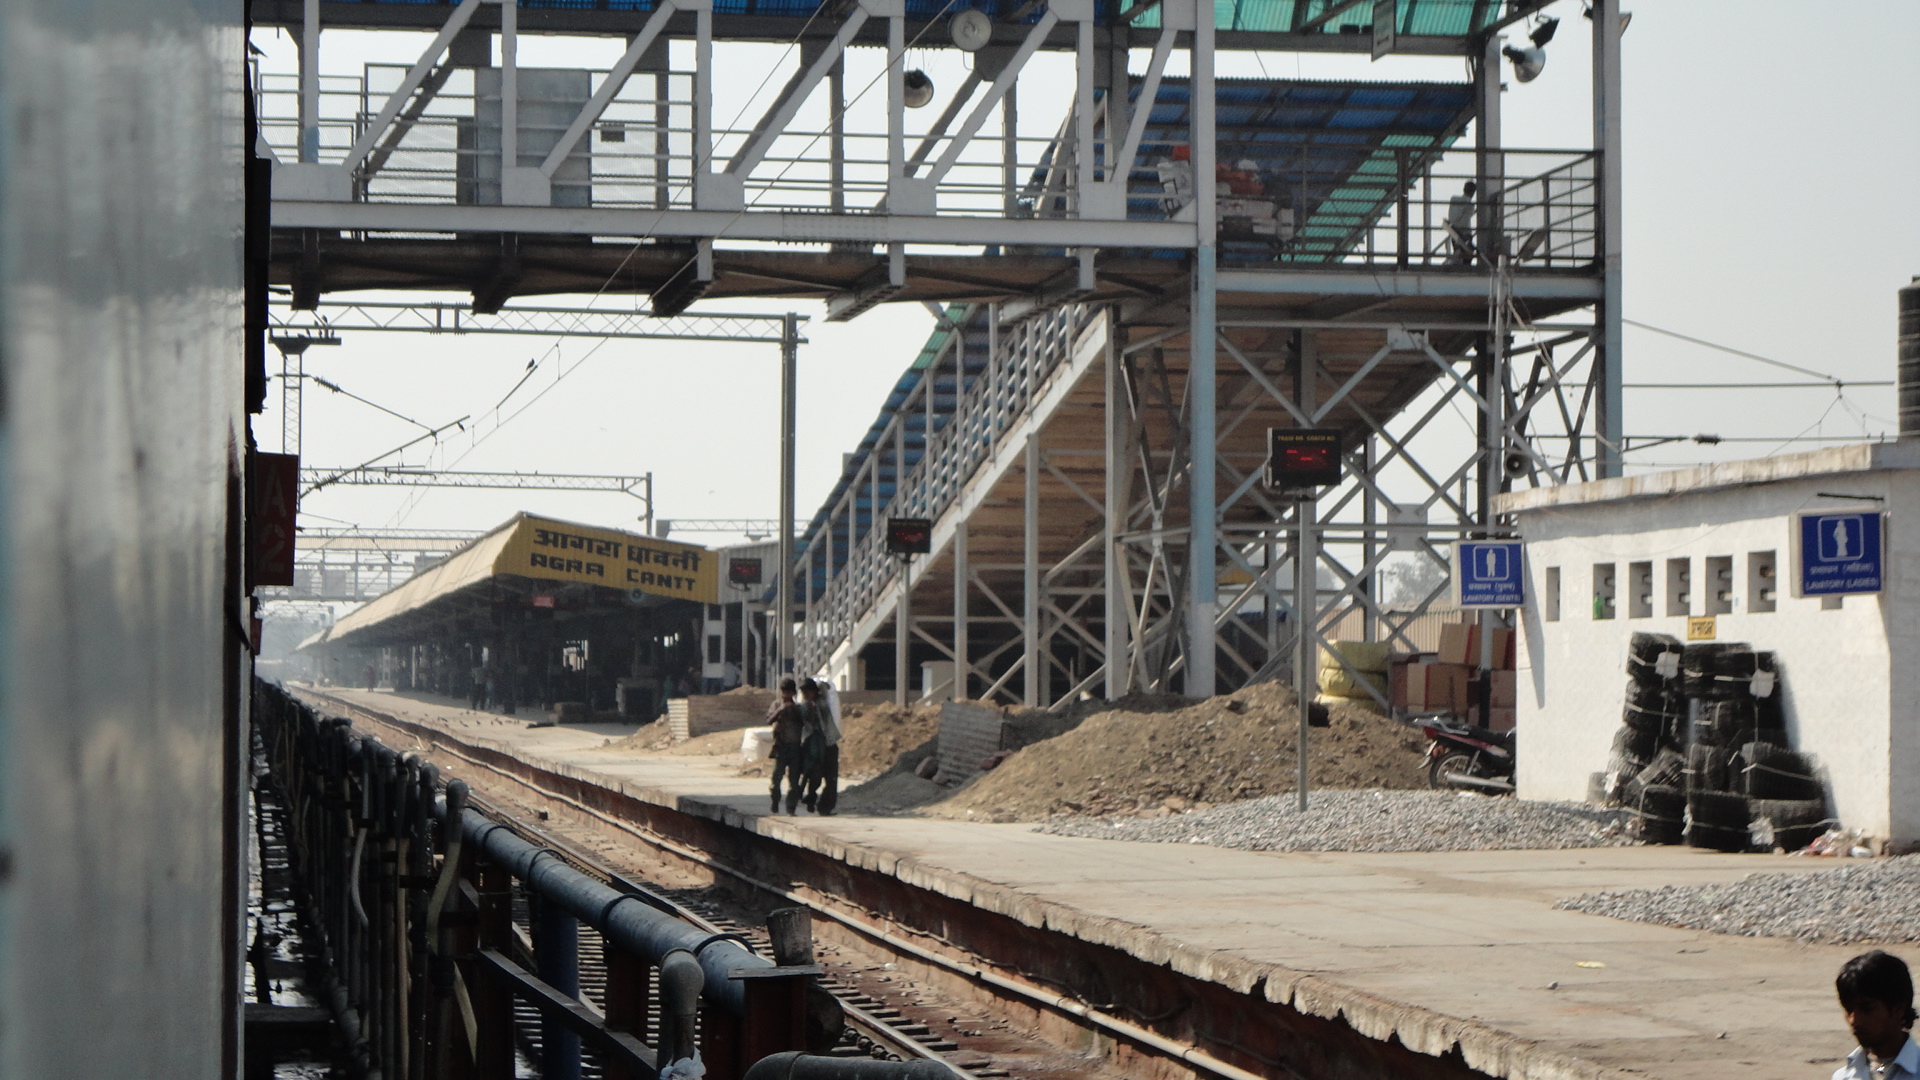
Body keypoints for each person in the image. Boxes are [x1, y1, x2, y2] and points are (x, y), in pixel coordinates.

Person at [1834, 951, 1920, 1080]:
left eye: (1867, 1009)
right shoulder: (1844, 1076)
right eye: (1848, 1009)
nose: (1854, 1020)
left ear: (1899, 1009)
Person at [798, 679, 842, 815]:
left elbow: (827, 689)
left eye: (808, 692)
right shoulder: (804, 706)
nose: (805, 694)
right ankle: (811, 798)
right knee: (813, 775)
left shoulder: (823, 703)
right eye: (804, 692)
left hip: (829, 744)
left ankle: (825, 807)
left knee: (831, 778)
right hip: (813, 746)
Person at [767, 676, 806, 814]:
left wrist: (793, 710)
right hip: (781, 745)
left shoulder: (798, 708)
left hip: (795, 747)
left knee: (794, 780)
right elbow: (769, 720)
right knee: (776, 778)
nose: (786, 695)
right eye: (784, 692)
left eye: (788, 692)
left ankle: (791, 808)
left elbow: (804, 723)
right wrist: (781, 709)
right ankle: (775, 801)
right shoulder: (776, 705)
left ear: (793, 693)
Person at [1445, 180, 1477, 265]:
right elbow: (1470, 213)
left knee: (1458, 251)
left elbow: (1454, 217)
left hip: (1454, 231)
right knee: (1468, 254)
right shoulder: (1469, 204)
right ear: (1473, 192)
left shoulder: (1454, 200)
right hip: (1465, 233)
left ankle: (1457, 266)